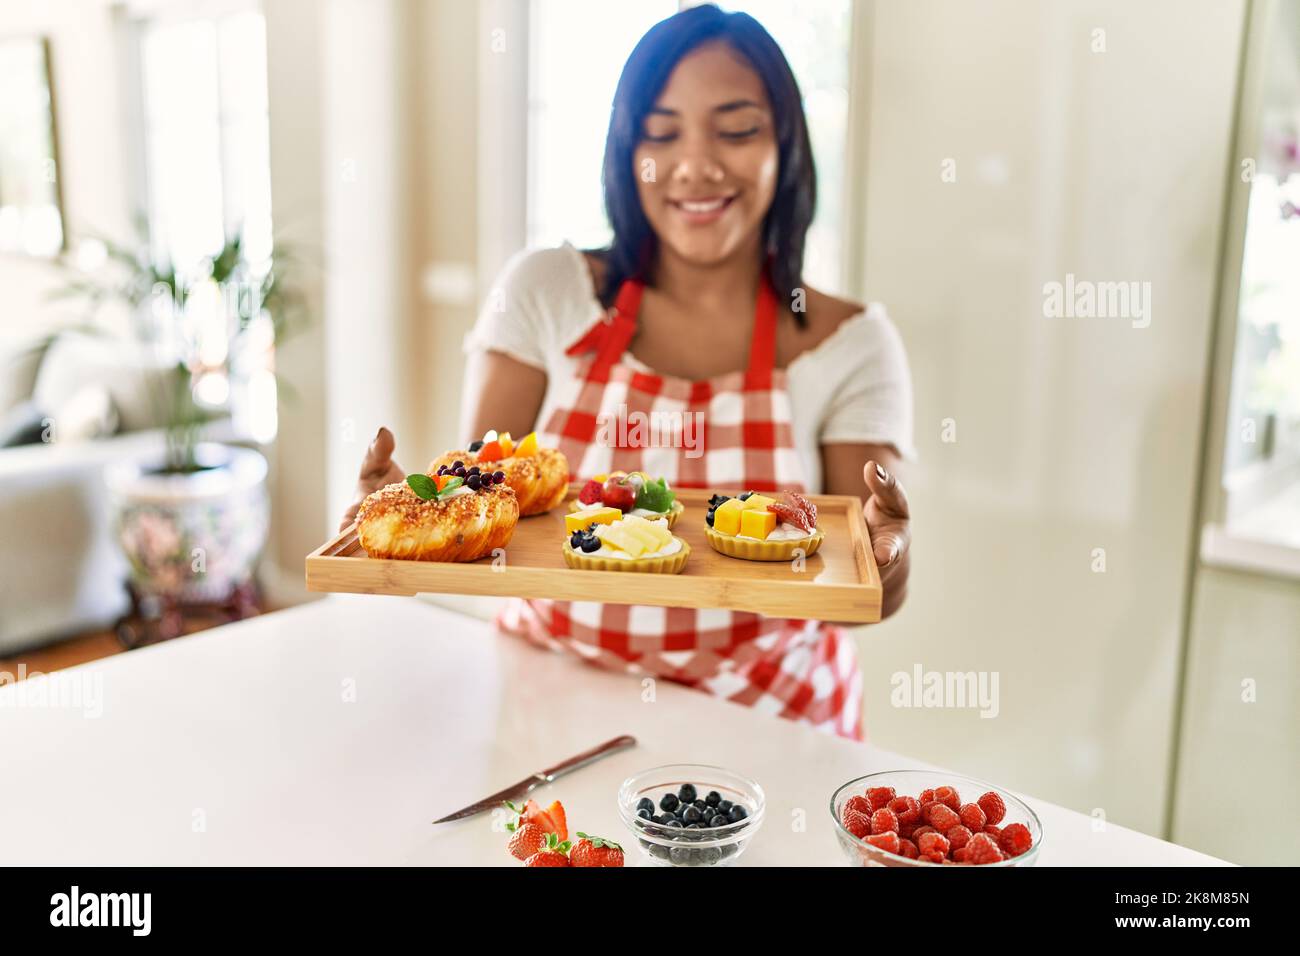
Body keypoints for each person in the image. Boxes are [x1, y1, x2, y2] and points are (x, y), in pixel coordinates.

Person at [341, 4, 913, 740]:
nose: (695, 165)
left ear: (787, 145)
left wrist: (887, 561)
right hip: (546, 703)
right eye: (662, 131)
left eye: (736, 128)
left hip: (773, 716)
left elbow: (870, 588)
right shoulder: (544, 290)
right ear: (624, 147)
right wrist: (414, 519)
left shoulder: (852, 342)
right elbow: (487, 524)